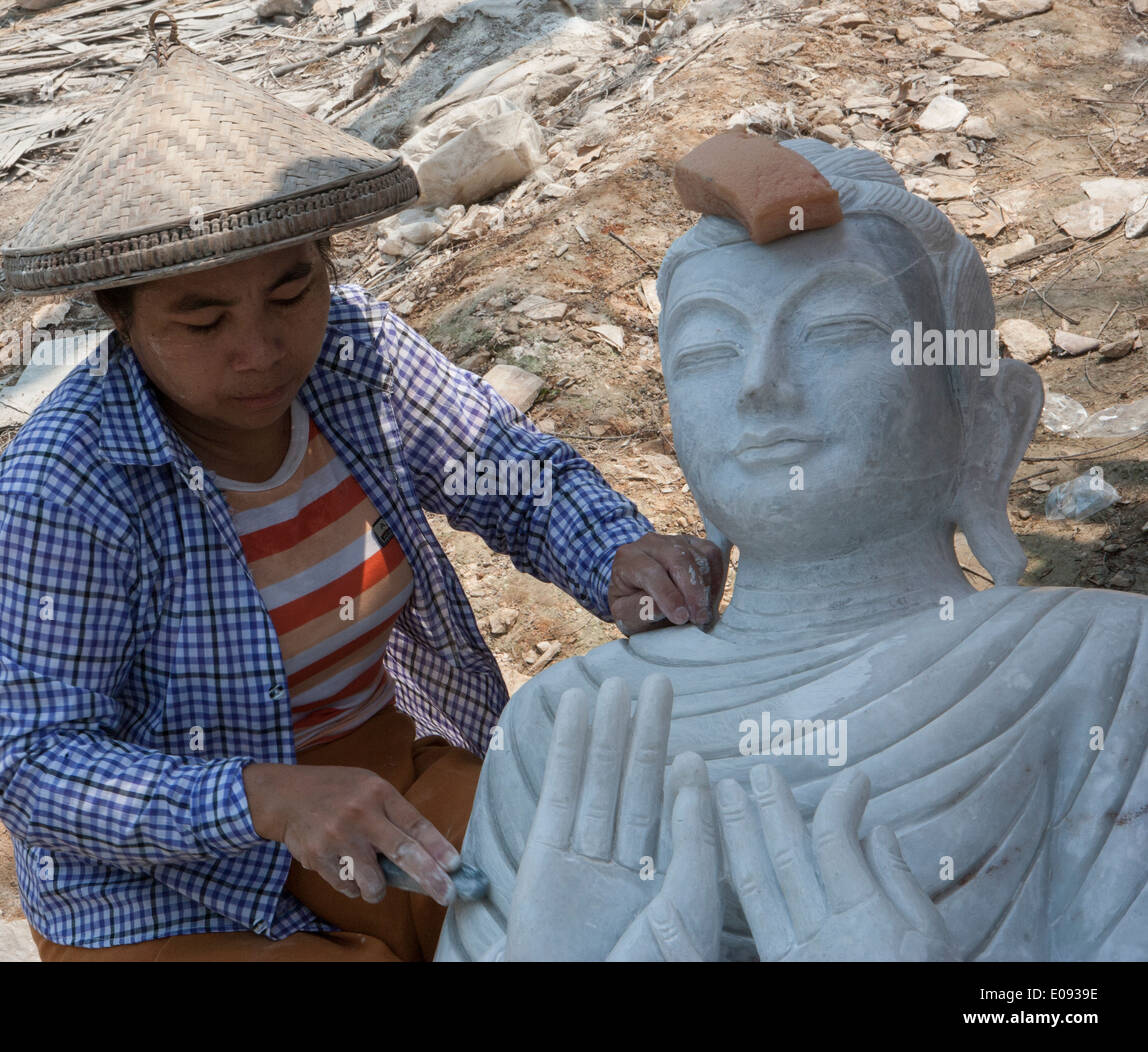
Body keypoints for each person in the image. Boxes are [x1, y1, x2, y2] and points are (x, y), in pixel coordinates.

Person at [0, 11, 722, 961]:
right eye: (202, 322)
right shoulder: (64, 482)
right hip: (166, 889)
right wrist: (266, 798)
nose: (262, 349)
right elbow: (37, 767)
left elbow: (515, 476)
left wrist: (619, 554)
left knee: (613, 889)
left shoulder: (353, 354)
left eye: (291, 292)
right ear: (120, 318)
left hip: (376, 775)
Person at [438, 135, 1148, 962]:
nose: (759, 384)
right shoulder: (567, 723)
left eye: (838, 328)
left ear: (987, 418)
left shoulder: (1105, 664)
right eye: (707, 350)